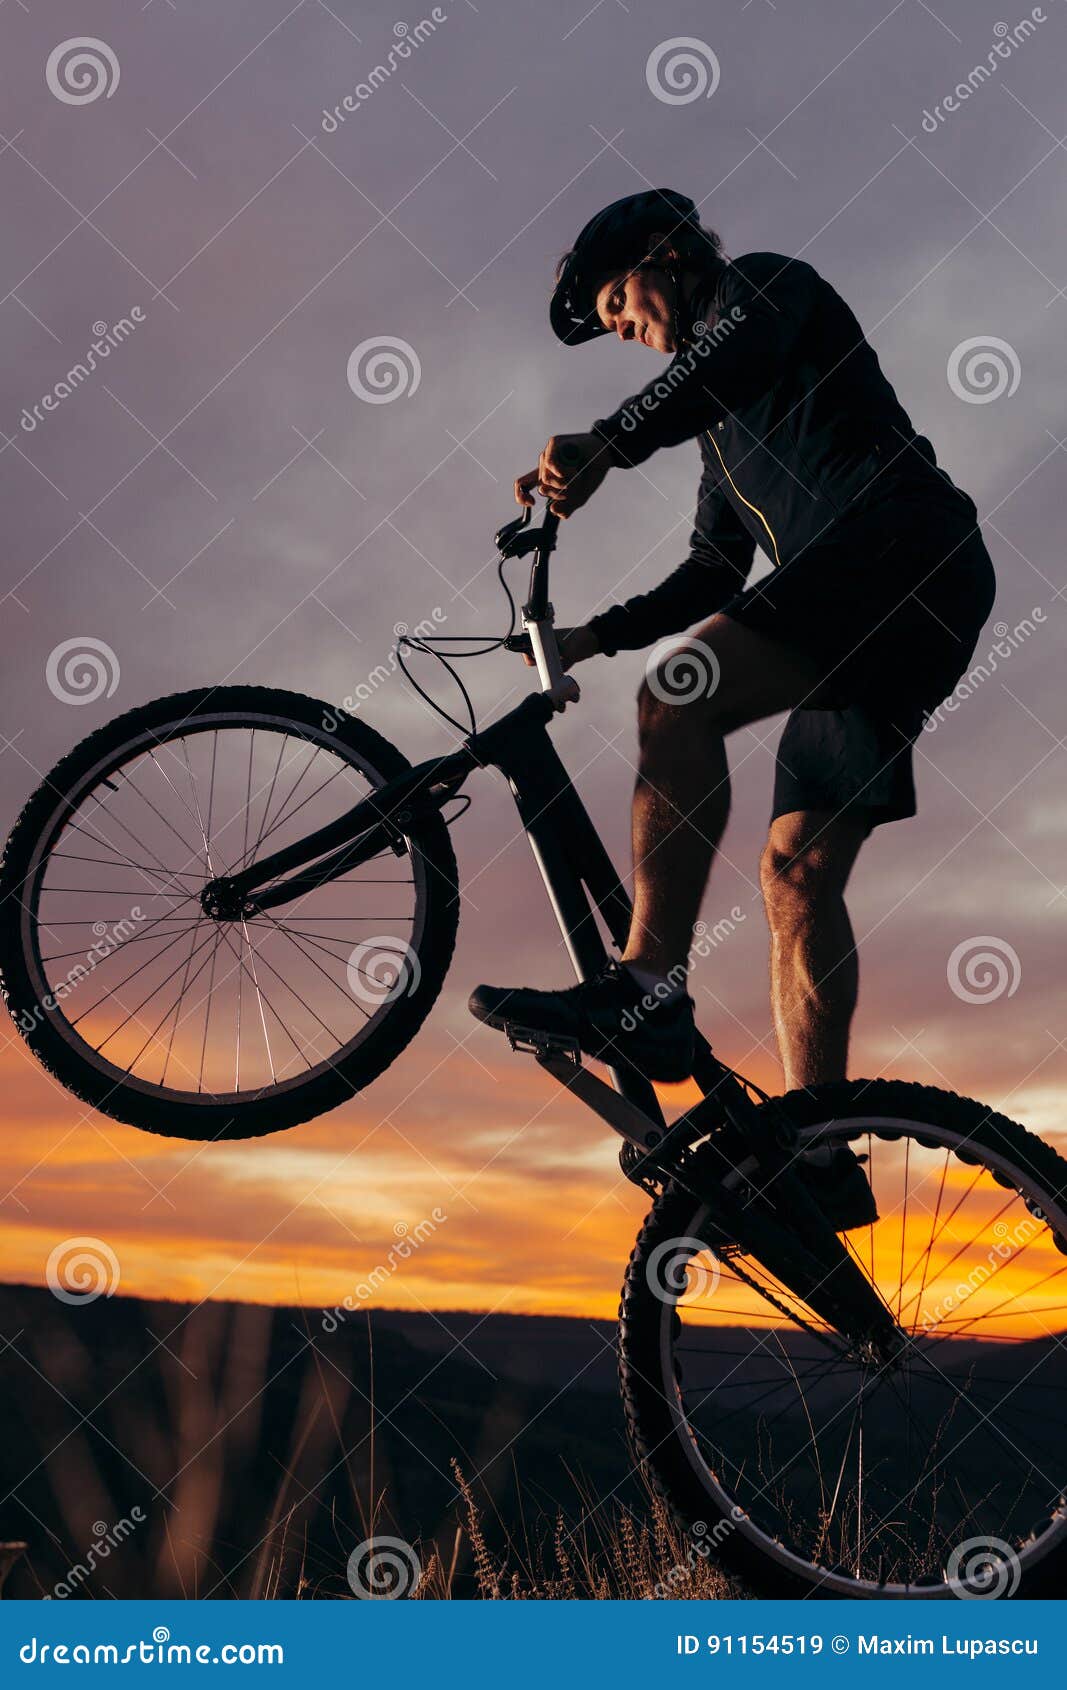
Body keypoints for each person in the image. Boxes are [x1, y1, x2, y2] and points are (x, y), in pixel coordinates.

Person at [468, 190, 996, 1190]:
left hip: (901, 549)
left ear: (668, 256)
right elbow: (713, 572)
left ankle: (643, 990)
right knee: (793, 874)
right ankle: (819, 1148)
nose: (620, 327)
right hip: (871, 606)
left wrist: (610, 442)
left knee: (678, 694)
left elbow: (729, 362)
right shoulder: (708, 428)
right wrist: (590, 634)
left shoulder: (763, 291)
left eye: (617, 299)